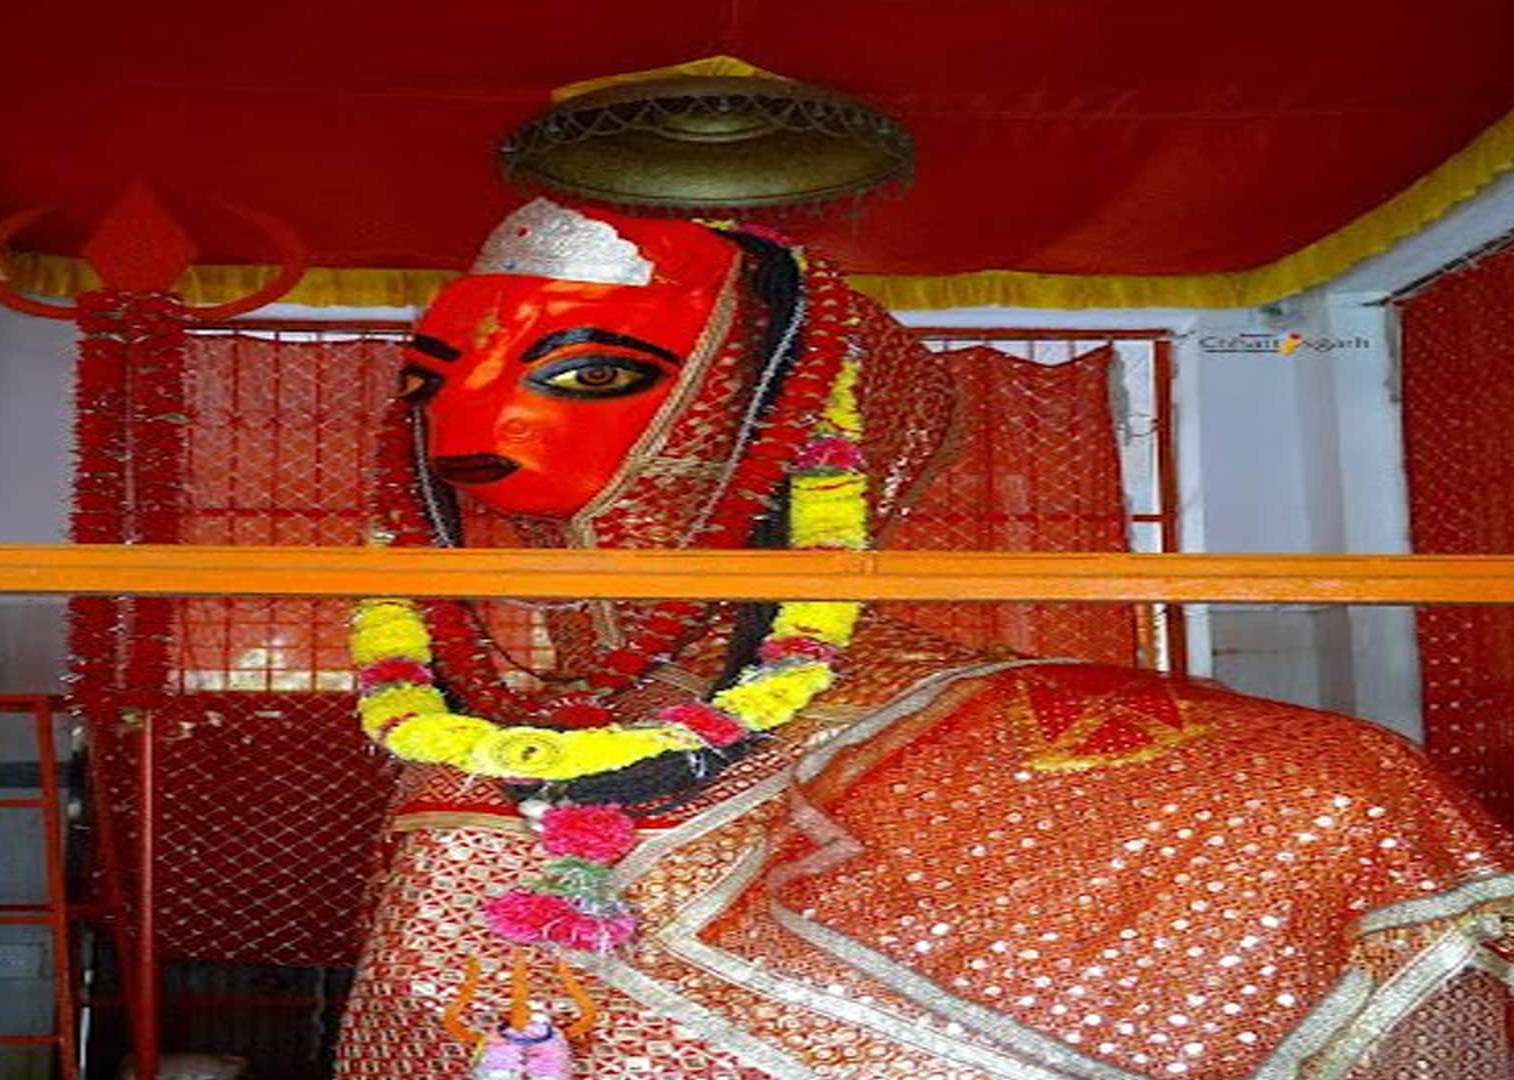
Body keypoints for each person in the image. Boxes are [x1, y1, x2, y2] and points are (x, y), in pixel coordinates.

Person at [333, 199, 1514, 1080]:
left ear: (797, 421)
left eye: (593, 370)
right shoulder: (467, 745)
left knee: (1336, 802)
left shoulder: (1297, 788)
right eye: (435, 376)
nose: (475, 423)